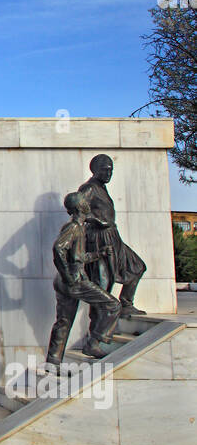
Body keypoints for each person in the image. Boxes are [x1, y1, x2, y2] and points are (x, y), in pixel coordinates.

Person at [46, 192, 122, 368]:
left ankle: (53, 360)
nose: (87, 204)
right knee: (113, 305)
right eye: (84, 202)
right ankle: (94, 343)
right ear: (80, 207)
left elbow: (78, 256)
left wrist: (99, 254)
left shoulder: (79, 227)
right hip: (75, 279)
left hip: (67, 280)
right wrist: (68, 275)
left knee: (64, 322)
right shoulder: (73, 227)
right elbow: (58, 249)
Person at [79, 154, 147, 319]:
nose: (109, 174)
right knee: (103, 283)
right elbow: (77, 211)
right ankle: (99, 325)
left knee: (137, 266)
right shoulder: (89, 188)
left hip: (112, 236)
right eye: (105, 170)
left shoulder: (101, 187)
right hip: (99, 239)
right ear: (95, 170)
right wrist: (96, 220)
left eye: (111, 170)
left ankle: (126, 303)